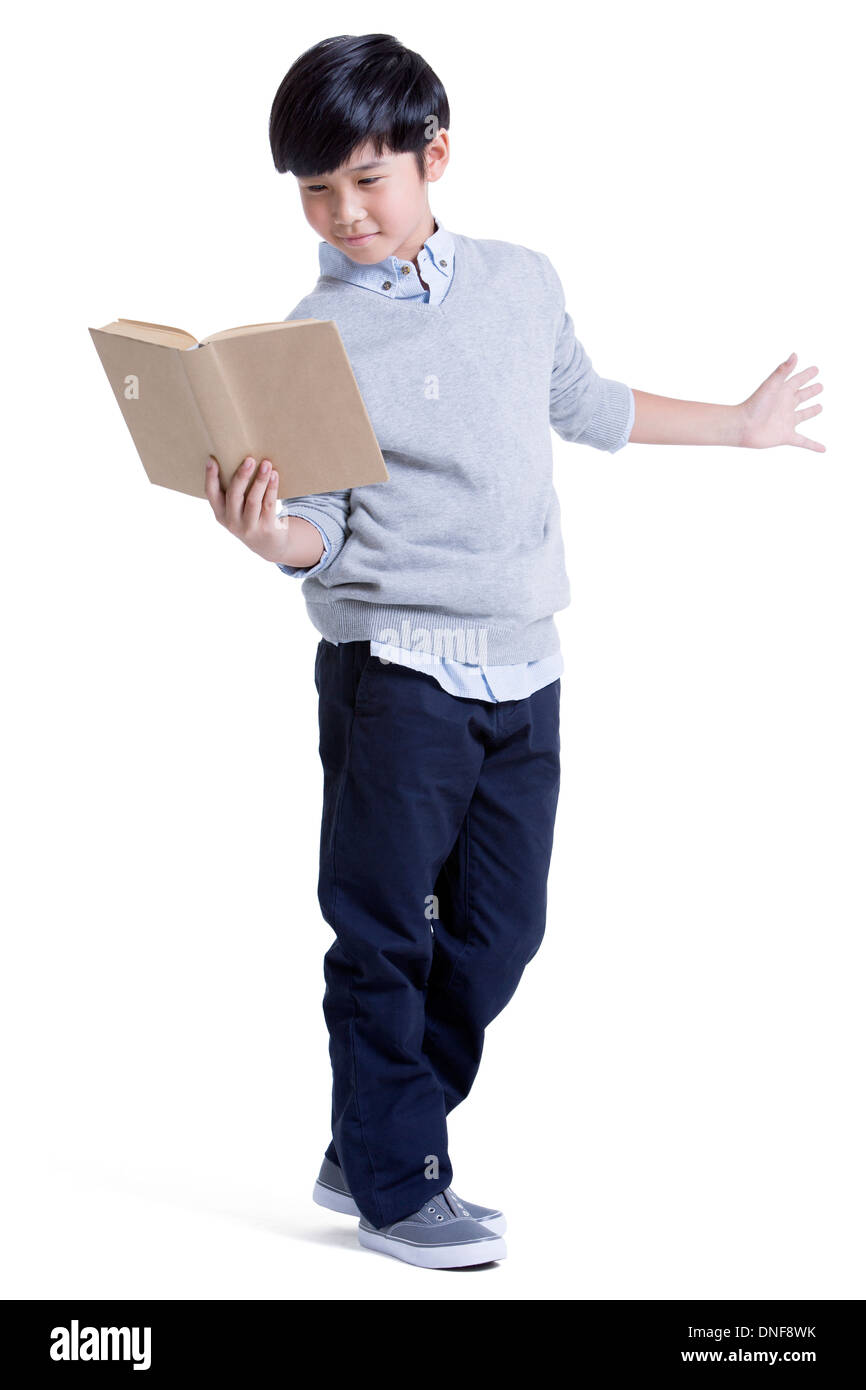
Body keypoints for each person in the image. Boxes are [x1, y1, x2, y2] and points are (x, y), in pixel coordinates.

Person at [204, 33, 824, 1271]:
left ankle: (376, 1133)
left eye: (368, 179)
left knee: (496, 934)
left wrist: (741, 429)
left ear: (436, 155)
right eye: (317, 192)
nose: (344, 213)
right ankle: (393, 1181)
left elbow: (587, 405)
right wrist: (272, 533)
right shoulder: (300, 341)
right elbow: (318, 526)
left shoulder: (521, 280)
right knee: (384, 932)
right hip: (395, 676)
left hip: (524, 668)